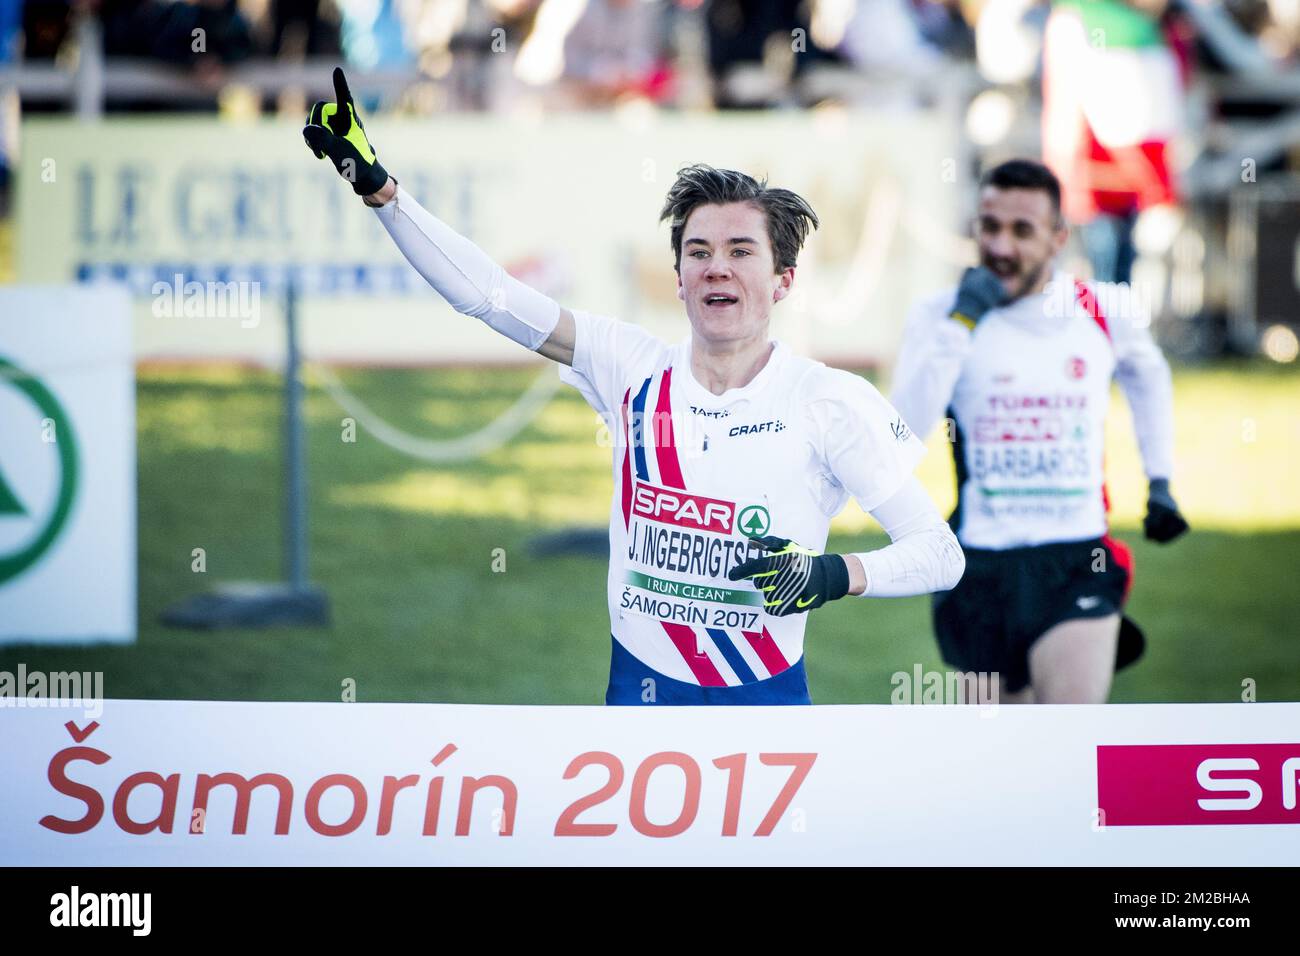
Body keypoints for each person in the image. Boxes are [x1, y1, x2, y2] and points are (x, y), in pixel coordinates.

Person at [304, 69, 965, 705]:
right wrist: (384, 194)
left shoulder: (828, 401)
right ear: (677, 278)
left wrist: (832, 575)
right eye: (698, 252)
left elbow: (940, 555)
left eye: (741, 251)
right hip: (638, 705)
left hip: (764, 704)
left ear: (784, 280)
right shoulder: (628, 363)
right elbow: (489, 297)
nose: (716, 268)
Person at [890, 158, 1189, 705]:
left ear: (1057, 238)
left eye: (1021, 230)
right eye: (990, 226)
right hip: (979, 565)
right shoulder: (939, 315)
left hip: (1076, 559)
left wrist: (1161, 481)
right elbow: (901, 436)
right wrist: (962, 324)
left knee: (1067, 742)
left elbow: (1150, 380)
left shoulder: (1101, 309)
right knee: (997, 765)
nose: (1001, 246)